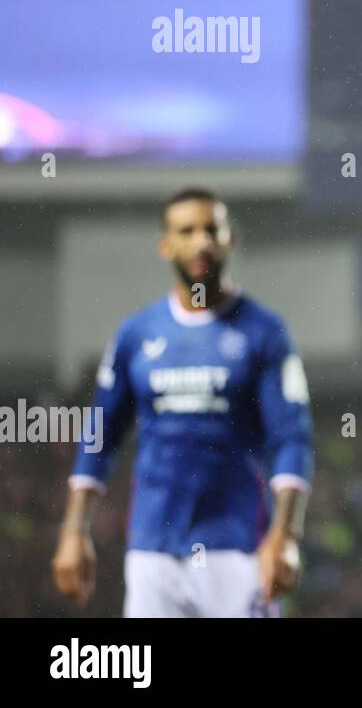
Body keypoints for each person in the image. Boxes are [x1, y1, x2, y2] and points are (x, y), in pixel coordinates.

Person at [51, 187, 314, 617]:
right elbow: (100, 434)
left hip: (237, 547)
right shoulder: (137, 334)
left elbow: (292, 438)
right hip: (153, 547)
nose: (201, 241)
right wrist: (73, 530)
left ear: (229, 239)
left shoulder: (264, 332)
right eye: (187, 231)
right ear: (166, 244)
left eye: (212, 229)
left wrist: (285, 536)